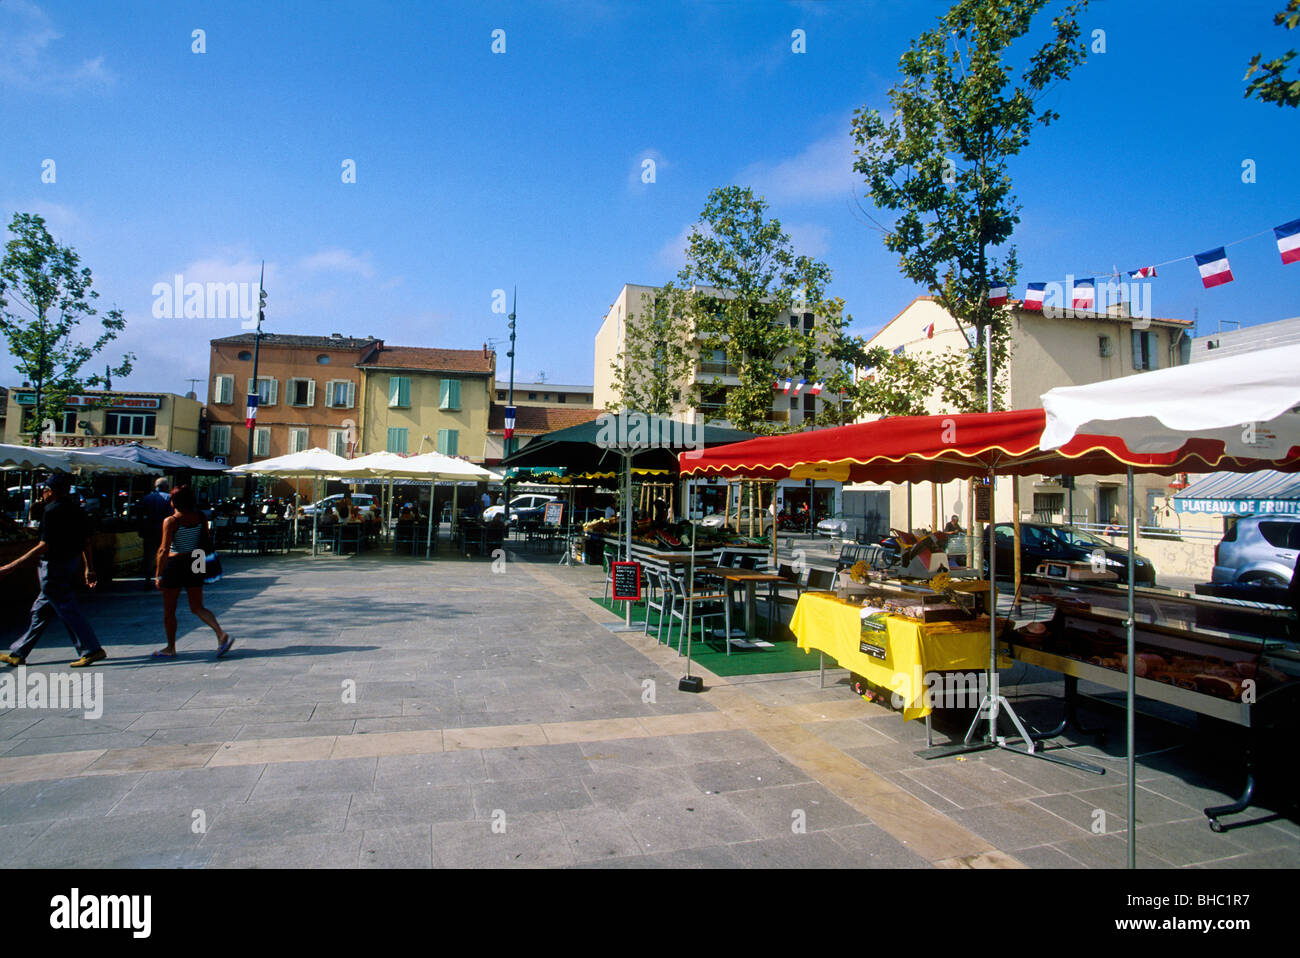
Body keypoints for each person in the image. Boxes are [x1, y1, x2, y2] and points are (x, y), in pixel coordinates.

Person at [0, 473, 108, 668]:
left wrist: (13, 565)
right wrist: (89, 568)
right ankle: (19, 652)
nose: (43, 493)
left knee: (67, 608)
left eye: (44, 490)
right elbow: (86, 541)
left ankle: (91, 649)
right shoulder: (77, 510)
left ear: (50, 491)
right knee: (40, 611)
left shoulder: (50, 511)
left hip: (53, 566)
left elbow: (45, 545)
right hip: (69, 563)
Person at [153, 485, 232, 659]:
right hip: (196, 560)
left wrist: (158, 574)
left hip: (175, 563)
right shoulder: (201, 517)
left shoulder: (171, 521)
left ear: (176, 501)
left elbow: (163, 549)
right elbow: (205, 540)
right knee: (197, 606)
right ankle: (220, 633)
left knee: (169, 610)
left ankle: (170, 647)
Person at [138, 477, 174, 589]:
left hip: (149, 530)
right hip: (164, 531)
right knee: (165, 554)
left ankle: (148, 580)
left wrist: (141, 530)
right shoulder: (168, 498)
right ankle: (163, 578)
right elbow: (172, 515)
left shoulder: (146, 498)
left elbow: (140, 516)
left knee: (149, 555)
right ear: (166, 487)